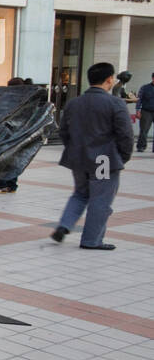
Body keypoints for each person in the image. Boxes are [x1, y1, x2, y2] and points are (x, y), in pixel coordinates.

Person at [51, 62, 133, 251]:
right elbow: (125, 136)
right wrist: (123, 157)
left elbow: (63, 131)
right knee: (100, 199)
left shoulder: (74, 103)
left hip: (78, 158)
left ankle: (64, 225)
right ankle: (92, 240)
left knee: (80, 193)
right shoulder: (115, 104)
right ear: (109, 79)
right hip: (103, 160)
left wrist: (74, 149)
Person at [0, 78, 28, 193]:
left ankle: (3, 184)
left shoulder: (11, 99)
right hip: (17, 135)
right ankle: (10, 185)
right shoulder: (26, 98)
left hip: (6, 135)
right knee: (12, 162)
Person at [137, 71, 154, 152]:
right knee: (144, 130)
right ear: (153, 78)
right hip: (146, 111)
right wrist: (137, 110)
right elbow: (139, 99)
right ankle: (141, 146)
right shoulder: (145, 87)